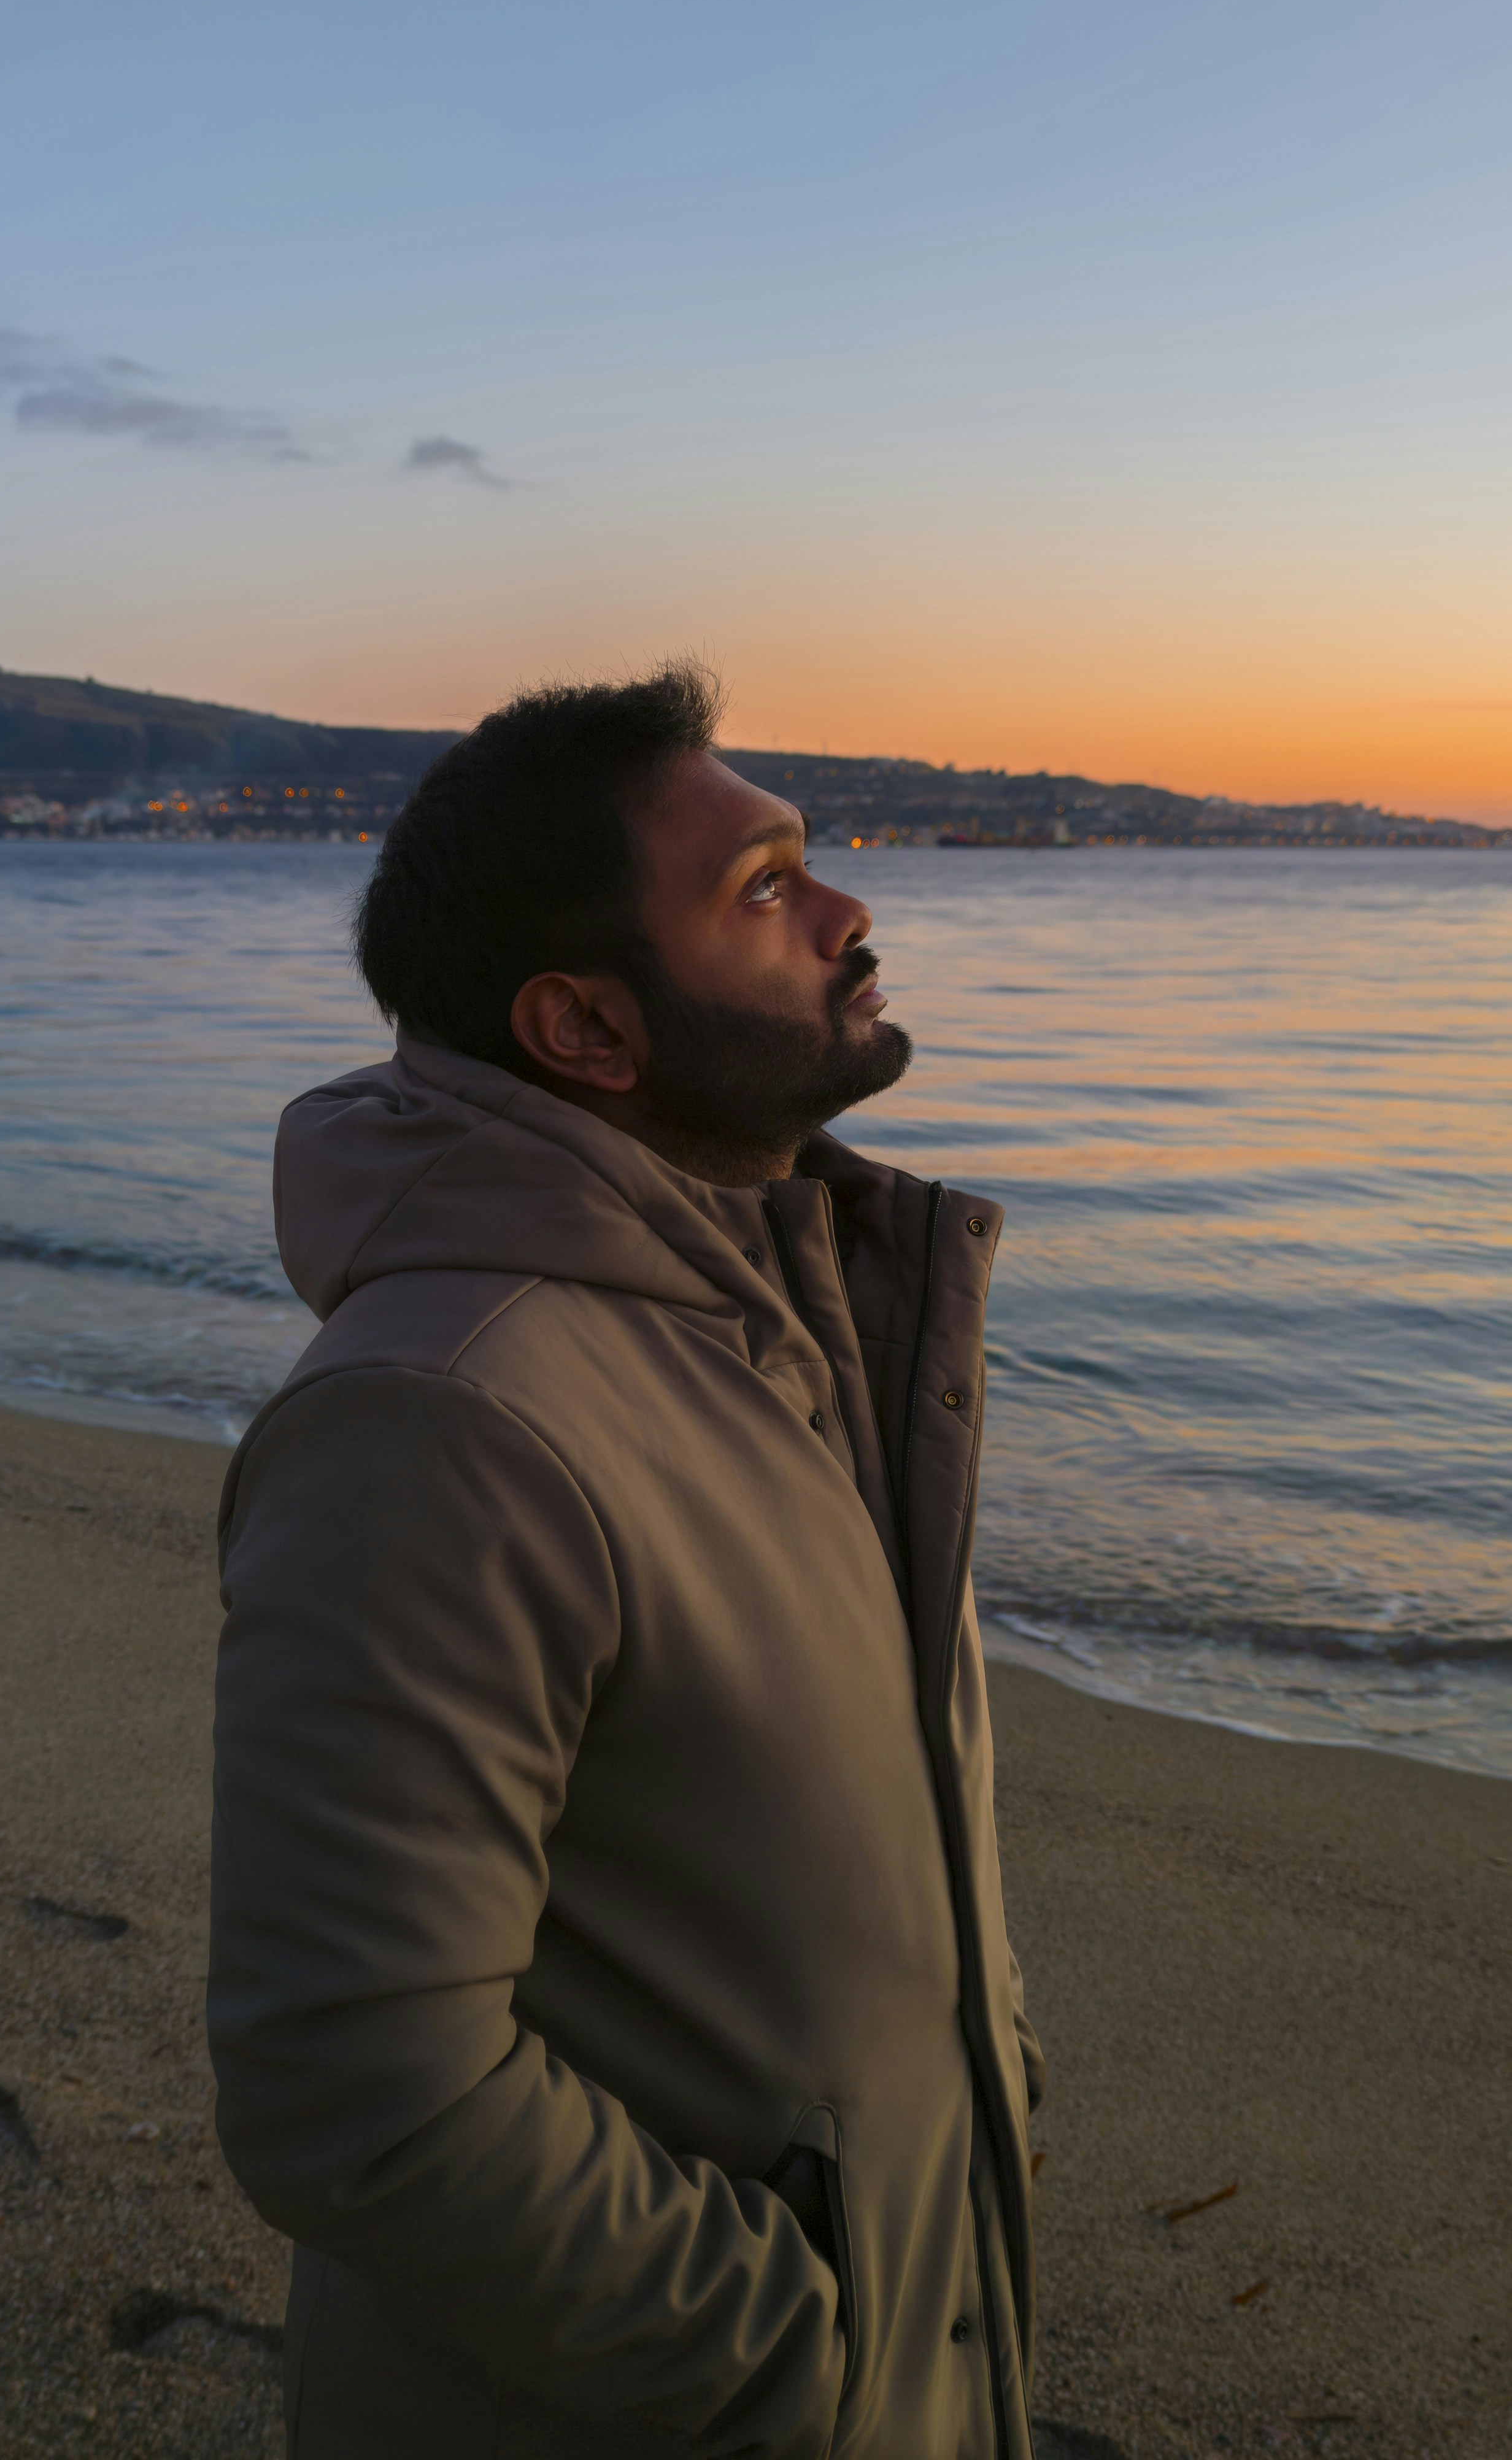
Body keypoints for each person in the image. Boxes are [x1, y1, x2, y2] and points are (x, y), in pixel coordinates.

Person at [207, 663, 1046, 2458]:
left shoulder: (804, 1336)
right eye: (761, 888)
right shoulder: (452, 1418)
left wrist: (976, 2114)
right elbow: (353, 2083)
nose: (845, 912)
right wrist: (783, 2358)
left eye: (808, 863)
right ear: (587, 1029)